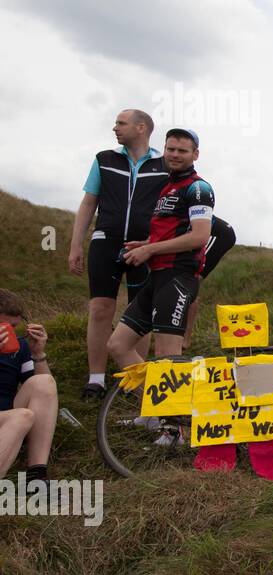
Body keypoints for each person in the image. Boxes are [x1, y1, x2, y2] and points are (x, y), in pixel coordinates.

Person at [69, 109, 169, 400]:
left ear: (141, 128)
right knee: (100, 309)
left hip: (144, 246)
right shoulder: (105, 159)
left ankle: (133, 378)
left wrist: (156, 243)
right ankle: (96, 379)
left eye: (120, 123)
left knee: (140, 313)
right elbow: (89, 203)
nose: (115, 128)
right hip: (105, 241)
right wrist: (75, 245)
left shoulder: (163, 165)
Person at [105, 128, 214, 372]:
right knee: (118, 345)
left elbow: (199, 236)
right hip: (157, 277)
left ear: (195, 154)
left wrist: (151, 249)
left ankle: (173, 411)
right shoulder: (167, 187)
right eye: (170, 149)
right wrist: (145, 245)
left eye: (182, 151)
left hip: (178, 277)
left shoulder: (199, 188)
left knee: (167, 358)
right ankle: (156, 407)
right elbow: (172, 231)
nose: (175, 155)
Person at [0, 290, 58, 481]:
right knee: (21, 417)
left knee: (43, 382)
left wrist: (38, 354)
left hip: (7, 419)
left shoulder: (20, 347)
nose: (11, 332)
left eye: (14, 327)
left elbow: (44, 394)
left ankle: (36, 477)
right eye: (4, 326)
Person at [182, 215, 237, 351]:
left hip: (218, 234)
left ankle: (185, 340)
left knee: (188, 281)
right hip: (195, 231)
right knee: (180, 280)